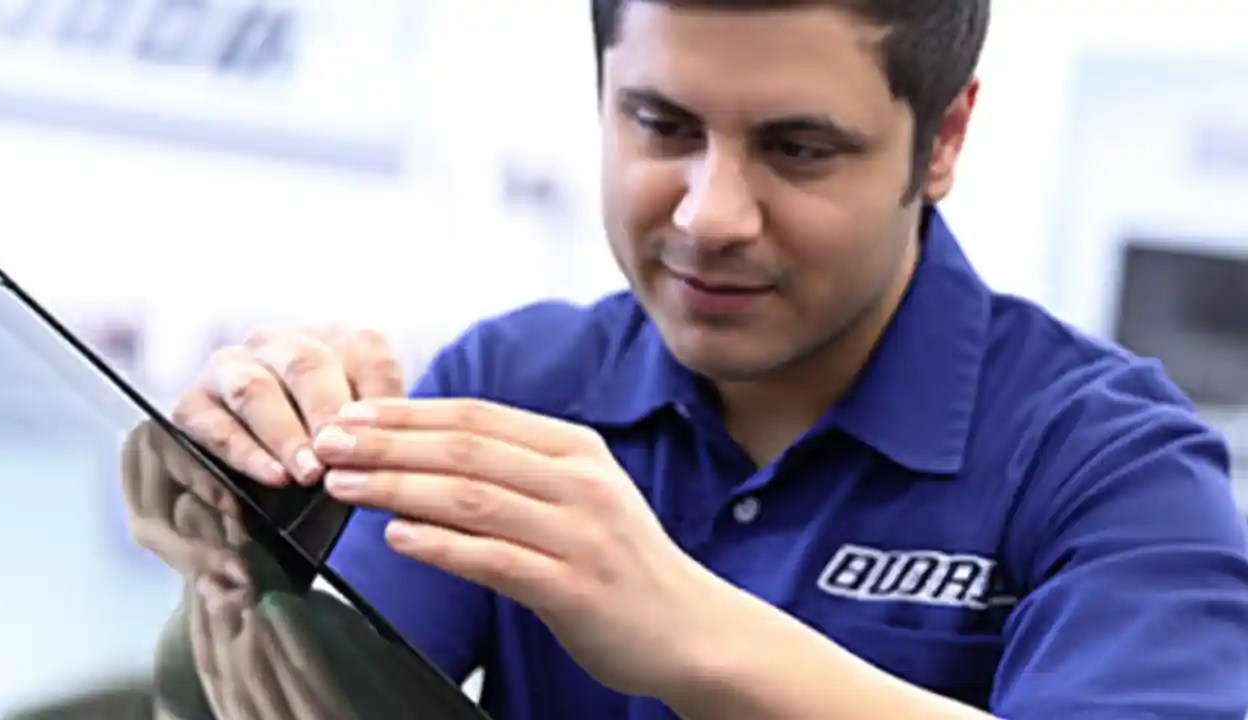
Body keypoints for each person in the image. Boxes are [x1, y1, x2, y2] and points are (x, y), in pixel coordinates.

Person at [170, 1, 1248, 718]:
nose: (709, 213)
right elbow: (272, 700)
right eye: (662, 125)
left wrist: (687, 631)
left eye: (797, 148)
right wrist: (234, 535)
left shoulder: (1110, 464)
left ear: (944, 139)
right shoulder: (511, 382)